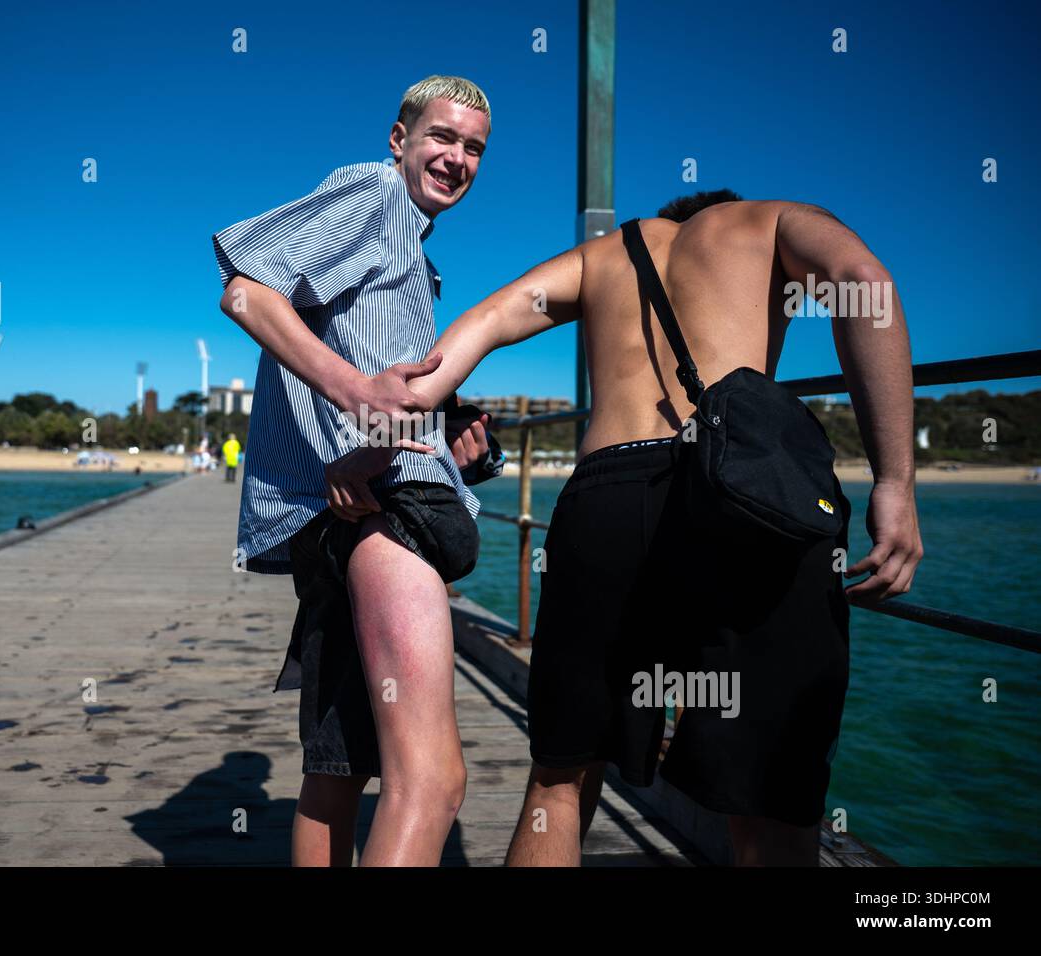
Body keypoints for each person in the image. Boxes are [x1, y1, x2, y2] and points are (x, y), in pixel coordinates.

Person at [367, 191, 923, 866]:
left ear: (671, 215)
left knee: (560, 782)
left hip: (608, 495)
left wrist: (418, 402)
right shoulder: (771, 218)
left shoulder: (608, 253)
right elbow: (865, 283)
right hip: (743, 504)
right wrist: (894, 479)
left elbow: (495, 315)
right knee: (769, 806)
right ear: (724, 207)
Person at [212, 75, 502, 866]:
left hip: (338, 514)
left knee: (338, 769)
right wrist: (354, 391)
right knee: (431, 779)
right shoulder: (374, 196)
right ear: (398, 138)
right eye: (441, 137)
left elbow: (381, 371)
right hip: (377, 512)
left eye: (474, 147)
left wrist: (452, 424)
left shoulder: (412, 250)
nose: (457, 158)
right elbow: (244, 290)